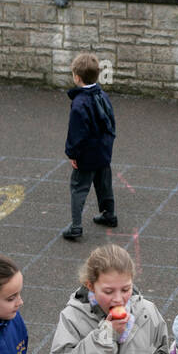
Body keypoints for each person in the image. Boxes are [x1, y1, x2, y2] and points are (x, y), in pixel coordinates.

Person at [62, 51, 117, 241]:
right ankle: (109, 214)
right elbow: (111, 122)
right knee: (104, 184)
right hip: (103, 150)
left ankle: (76, 226)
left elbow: (77, 134)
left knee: (78, 187)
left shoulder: (79, 104)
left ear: (77, 77)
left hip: (87, 155)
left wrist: (72, 154)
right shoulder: (102, 94)